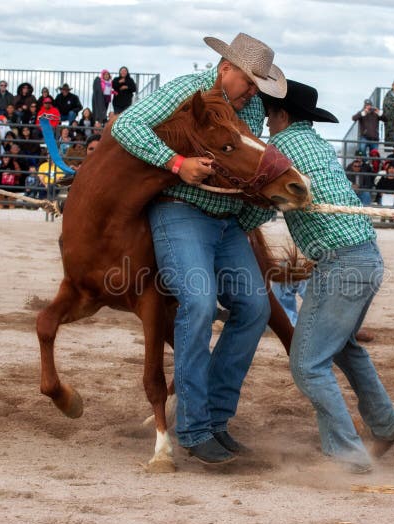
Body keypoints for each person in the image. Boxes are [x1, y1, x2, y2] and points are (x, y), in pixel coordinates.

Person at [111, 32, 287, 465]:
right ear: (225, 70)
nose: (253, 93)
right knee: (199, 302)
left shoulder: (252, 107)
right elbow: (127, 125)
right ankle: (192, 427)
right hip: (180, 211)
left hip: (227, 221)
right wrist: (176, 163)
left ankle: (215, 419)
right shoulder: (183, 91)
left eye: (259, 86)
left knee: (255, 308)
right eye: (249, 83)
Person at [261, 79, 394, 473]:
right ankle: (387, 422)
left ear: (283, 114)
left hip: (341, 263)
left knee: (307, 364)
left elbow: (260, 207)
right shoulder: (313, 143)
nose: (264, 120)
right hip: (365, 258)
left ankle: (347, 454)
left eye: (268, 113)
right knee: (343, 347)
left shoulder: (279, 148)